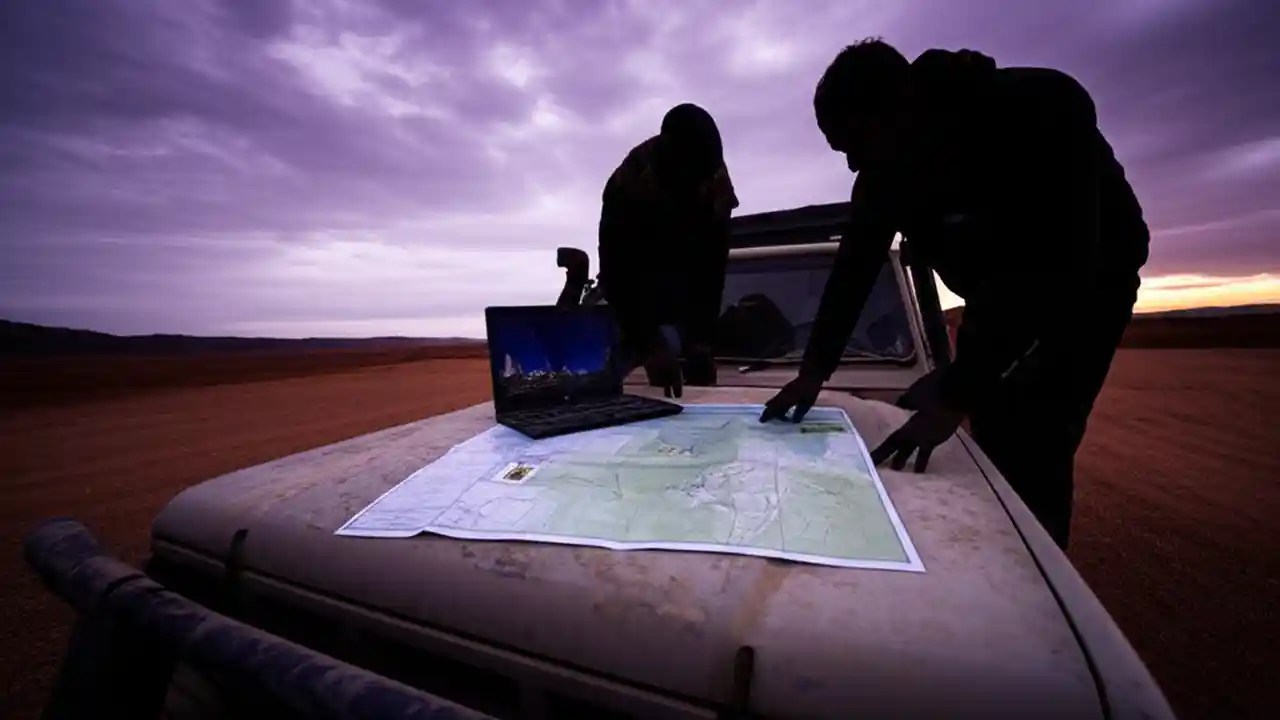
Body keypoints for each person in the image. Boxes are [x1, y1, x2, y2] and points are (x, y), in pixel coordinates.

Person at [760, 39, 1150, 548]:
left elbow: (1048, 267)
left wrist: (957, 395)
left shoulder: (1038, 108)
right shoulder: (883, 173)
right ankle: (1004, 523)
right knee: (993, 417)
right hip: (995, 285)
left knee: (1034, 433)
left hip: (1087, 286)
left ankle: (1037, 571)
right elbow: (852, 273)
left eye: (854, 141)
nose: (853, 164)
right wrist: (812, 373)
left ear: (897, 107)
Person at [598, 103, 740, 398]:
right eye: (693, 176)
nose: (699, 184)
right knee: (607, 380)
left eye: (705, 175)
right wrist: (650, 345)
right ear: (672, 162)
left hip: (685, 296)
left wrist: (701, 341)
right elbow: (617, 276)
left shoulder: (715, 183)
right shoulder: (628, 185)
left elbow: (713, 270)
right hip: (634, 295)